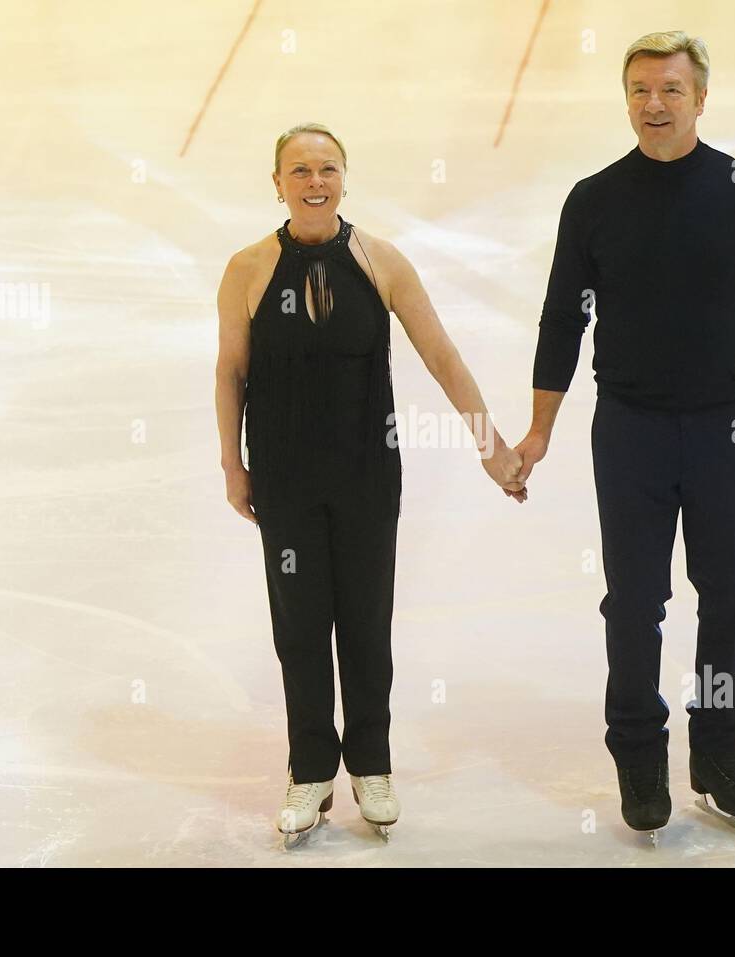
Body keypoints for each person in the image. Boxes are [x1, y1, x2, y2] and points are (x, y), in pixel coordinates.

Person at [512, 31, 735, 833]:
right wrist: (539, 431)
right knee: (636, 602)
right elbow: (561, 319)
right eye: (641, 89)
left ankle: (719, 749)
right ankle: (639, 758)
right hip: (632, 430)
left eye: (672, 89)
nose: (655, 104)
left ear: (701, 99)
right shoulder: (596, 198)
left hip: (728, 430)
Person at [215, 123, 525, 841]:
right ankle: (310, 769)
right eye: (300, 170)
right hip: (286, 479)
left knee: (363, 620)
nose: (314, 182)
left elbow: (441, 353)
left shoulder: (381, 262)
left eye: (326, 168)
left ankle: (372, 762)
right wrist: (234, 463)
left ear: (345, 178)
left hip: (365, 475)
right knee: (300, 626)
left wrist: (490, 446)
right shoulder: (249, 268)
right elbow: (230, 371)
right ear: (278, 183)